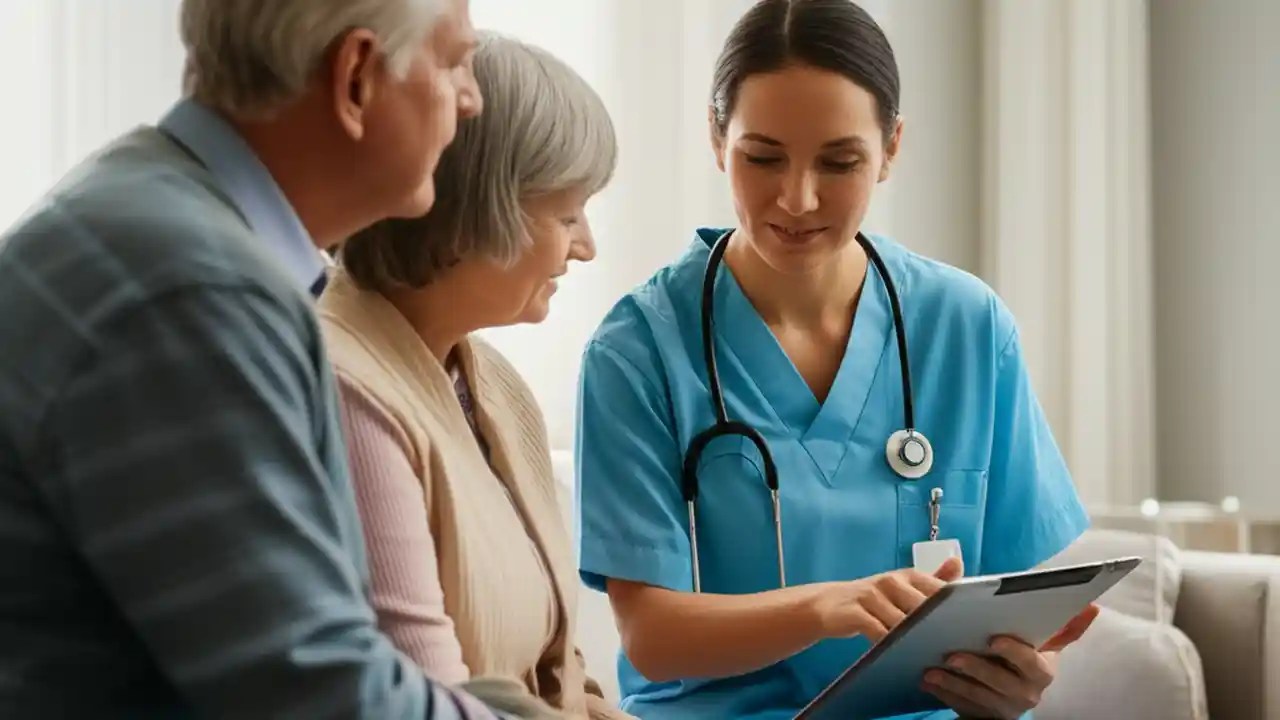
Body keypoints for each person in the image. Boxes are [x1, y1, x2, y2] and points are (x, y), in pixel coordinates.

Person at [0, 0, 542, 717]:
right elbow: (314, 693)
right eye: (452, 65)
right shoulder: (194, 290)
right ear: (355, 77)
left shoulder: (149, 217)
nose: (471, 100)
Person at [574, 1, 1097, 719]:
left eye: (839, 161)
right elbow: (652, 637)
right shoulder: (638, 352)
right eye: (763, 157)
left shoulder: (968, 327)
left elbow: (1011, 603)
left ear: (891, 148)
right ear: (716, 138)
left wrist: (1022, 673)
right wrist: (827, 607)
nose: (798, 198)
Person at [318, 32, 627, 720]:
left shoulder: (493, 383)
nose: (585, 247)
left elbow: (557, 669)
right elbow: (427, 699)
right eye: (567, 215)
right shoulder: (348, 393)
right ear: (476, 212)